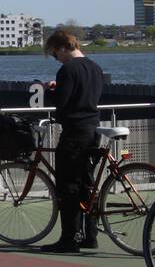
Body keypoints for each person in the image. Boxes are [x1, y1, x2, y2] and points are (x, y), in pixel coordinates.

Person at [40, 29, 106, 253]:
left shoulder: (67, 70)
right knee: (87, 184)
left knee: (68, 186)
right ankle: (91, 235)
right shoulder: (95, 68)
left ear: (62, 48)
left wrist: (48, 91)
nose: (55, 58)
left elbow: (62, 101)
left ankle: (69, 239)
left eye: (54, 54)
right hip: (93, 129)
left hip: (74, 132)